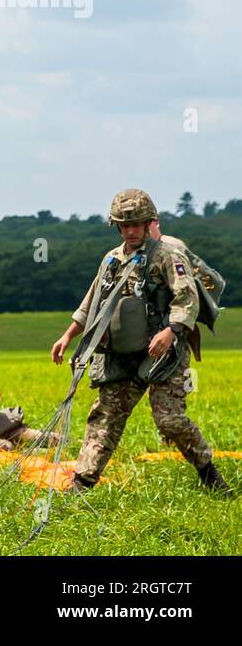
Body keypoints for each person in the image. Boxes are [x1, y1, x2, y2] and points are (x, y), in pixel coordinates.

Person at [51, 189, 230, 493]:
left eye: (137, 224)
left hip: (165, 353)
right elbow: (92, 302)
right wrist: (68, 335)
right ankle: (82, 483)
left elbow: (187, 299)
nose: (131, 231)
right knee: (105, 416)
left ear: (149, 223)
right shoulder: (110, 260)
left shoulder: (167, 257)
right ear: (117, 226)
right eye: (124, 225)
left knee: (170, 420)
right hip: (121, 353)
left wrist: (171, 330)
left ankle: (209, 473)